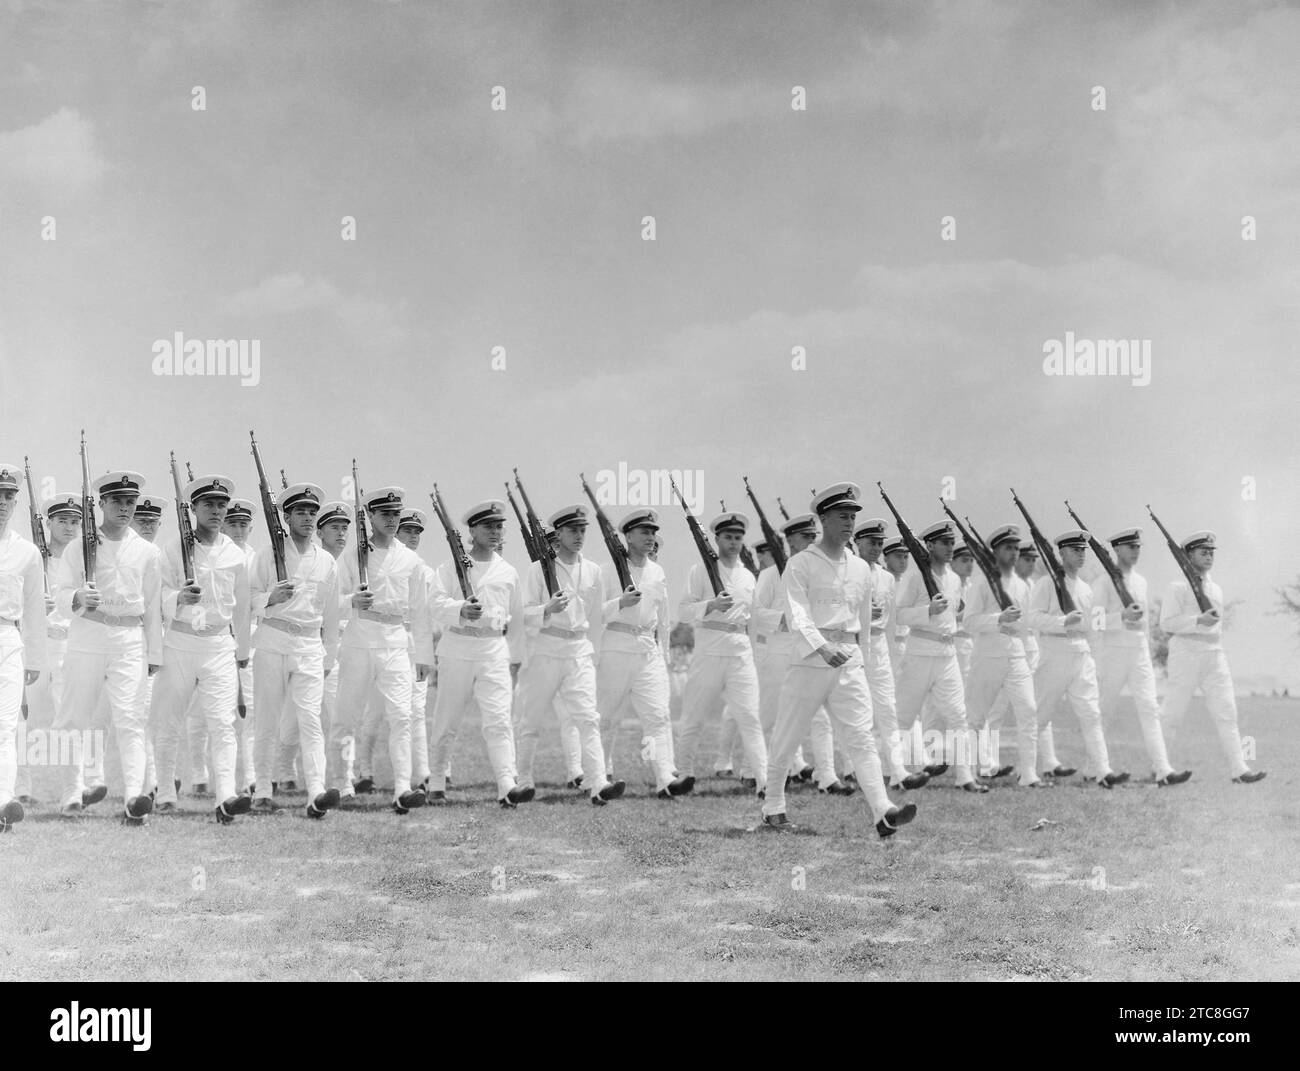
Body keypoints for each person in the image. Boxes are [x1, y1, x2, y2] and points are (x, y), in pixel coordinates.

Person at [761, 482, 916, 838]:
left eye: (852, 517)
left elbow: (863, 620)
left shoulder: (861, 568)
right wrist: (820, 647)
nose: (849, 523)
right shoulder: (800, 564)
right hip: (810, 661)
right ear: (824, 519)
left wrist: (858, 656)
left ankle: (883, 811)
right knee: (788, 735)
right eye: (842, 516)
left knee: (861, 736)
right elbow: (796, 613)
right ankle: (773, 806)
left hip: (848, 660)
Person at [54, 469, 162, 825]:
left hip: (129, 640)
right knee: (74, 717)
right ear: (101, 503)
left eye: (130, 501)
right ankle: (72, 791)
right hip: (87, 635)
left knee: (131, 718)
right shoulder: (78, 546)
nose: (125, 507)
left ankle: (134, 796)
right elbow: (58, 596)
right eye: (117, 501)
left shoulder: (147, 551)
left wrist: (154, 653)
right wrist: (77, 596)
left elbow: (153, 606)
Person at [151, 474, 254, 824]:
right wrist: (177, 597)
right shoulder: (172, 548)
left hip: (219, 644)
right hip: (179, 640)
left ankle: (226, 795)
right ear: (193, 508)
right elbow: (156, 597)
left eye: (221, 504)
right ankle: (165, 792)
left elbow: (241, 608)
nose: (216, 510)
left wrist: (242, 650)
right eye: (208, 504)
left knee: (222, 723)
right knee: (169, 721)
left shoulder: (235, 554)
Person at [515, 504, 625, 804]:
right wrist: (546, 610)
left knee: (589, 719)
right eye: (572, 530)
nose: (578, 535)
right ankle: (522, 781)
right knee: (531, 720)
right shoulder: (538, 569)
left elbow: (596, 617)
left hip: (579, 651)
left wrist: (595, 654)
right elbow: (523, 613)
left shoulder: (592, 570)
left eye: (582, 530)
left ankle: (598, 782)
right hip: (547, 649)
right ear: (558, 533)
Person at [331, 485, 431, 814]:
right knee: (347, 715)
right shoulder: (353, 556)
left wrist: (423, 655)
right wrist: (352, 602)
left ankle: (403, 787)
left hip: (395, 641)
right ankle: (343, 782)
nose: (391, 520)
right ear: (370, 516)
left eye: (395, 514)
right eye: (384, 514)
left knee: (402, 716)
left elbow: (419, 612)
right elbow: (330, 603)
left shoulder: (411, 560)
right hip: (360, 636)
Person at [426, 499, 532, 808]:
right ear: (472, 531)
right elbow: (434, 604)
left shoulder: (508, 572)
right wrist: (460, 609)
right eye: (488, 526)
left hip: (493, 650)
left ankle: (507, 785)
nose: (495, 532)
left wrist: (514, 659)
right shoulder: (450, 567)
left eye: (499, 526)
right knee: (447, 720)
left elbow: (516, 619)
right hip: (458, 647)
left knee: (499, 720)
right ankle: (436, 781)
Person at [249, 482, 342, 818]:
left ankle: (316, 790)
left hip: (308, 646)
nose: (306, 517)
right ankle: (261, 788)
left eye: (311, 512)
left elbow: (330, 616)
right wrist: (269, 599)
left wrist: (328, 656)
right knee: (268, 719)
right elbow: (248, 601)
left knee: (310, 720)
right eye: (300, 511)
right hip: (272, 641)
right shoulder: (266, 555)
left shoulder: (327, 561)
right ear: (285, 516)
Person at [595, 508, 690, 798]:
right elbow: (596, 614)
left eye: (653, 532)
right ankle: (599, 776)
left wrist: (664, 655)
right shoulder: (607, 569)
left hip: (648, 650)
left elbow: (663, 617)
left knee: (658, 715)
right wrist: (619, 604)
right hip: (616, 647)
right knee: (608, 717)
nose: (651, 537)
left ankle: (665, 778)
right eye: (644, 532)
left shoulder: (657, 571)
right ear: (628, 536)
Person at [1157, 530, 1264, 783]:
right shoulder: (1178, 587)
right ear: (1188, 555)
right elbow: (1167, 623)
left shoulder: (1216, 588)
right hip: (1186, 652)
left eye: (1211, 552)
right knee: (1173, 712)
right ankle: (1160, 768)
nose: (1208, 556)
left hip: (1214, 653)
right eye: (1202, 552)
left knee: (1227, 712)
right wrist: (1197, 620)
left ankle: (1239, 770)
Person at [674, 510, 768, 795]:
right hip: (709, 648)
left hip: (740, 652)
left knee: (750, 717)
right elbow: (683, 611)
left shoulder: (748, 577)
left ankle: (764, 780)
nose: (734, 542)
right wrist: (711, 605)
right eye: (728, 537)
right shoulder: (700, 570)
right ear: (716, 539)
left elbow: (756, 617)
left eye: (738, 537)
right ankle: (684, 773)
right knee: (694, 715)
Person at [1024, 530, 1128, 788]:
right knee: (1040, 715)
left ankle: (1103, 770)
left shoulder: (1086, 589)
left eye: (1083, 550)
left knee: (1091, 714)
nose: (1081, 555)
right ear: (1061, 553)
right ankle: (1027, 772)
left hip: (1081, 655)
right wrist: (1061, 621)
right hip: (1054, 651)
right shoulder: (1046, 584)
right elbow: (1032, 618)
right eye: (1075, 550)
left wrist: (1098, 661)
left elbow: (1093, 628)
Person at [1094, 527, 1190, 786]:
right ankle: (1099, 769)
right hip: (1114, 652)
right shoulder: (1103, 582)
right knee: (1104, 711)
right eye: (1130, 547)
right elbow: (1094, 620)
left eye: (1138, 547)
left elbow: (1146, 622)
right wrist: (1121, 618)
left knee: (1150, 710)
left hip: (1138, 652)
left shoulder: (1141, 581)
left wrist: (1146, 650)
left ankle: (1163, 770)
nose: (1136, 552)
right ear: (1116, 550)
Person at [0, 463, 48, 832]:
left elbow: (34, 611)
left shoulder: (28, 553)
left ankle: (3, 801)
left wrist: (34, 658)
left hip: (8, 639)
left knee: (6, 727)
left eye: (8, 496)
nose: (2, 502)